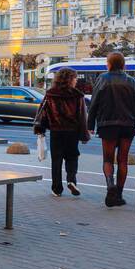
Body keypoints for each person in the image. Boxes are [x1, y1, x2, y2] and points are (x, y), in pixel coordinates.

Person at [86, 52, 135, 208]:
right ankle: (118, 194)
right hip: (128, 125)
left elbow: (94, 103)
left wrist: (90, 125)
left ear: (109, 64)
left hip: (107, 124)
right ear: (123, 64)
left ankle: (110, 186)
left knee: (107, 159)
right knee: (122, 160)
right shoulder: (133, 81)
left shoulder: (102, 79)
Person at [33, 66, 90, 196]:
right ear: (70, 80)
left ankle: (56, 189)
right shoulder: (77, 96)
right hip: (72, 132)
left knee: (56, 160)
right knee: (72, 157)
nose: (76, 81)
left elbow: (43, 113)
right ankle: (71, 180)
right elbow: (82, 116)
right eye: (75, 78)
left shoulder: (50, 94)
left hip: (56, 131)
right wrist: (84, 135)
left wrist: (40, 128)